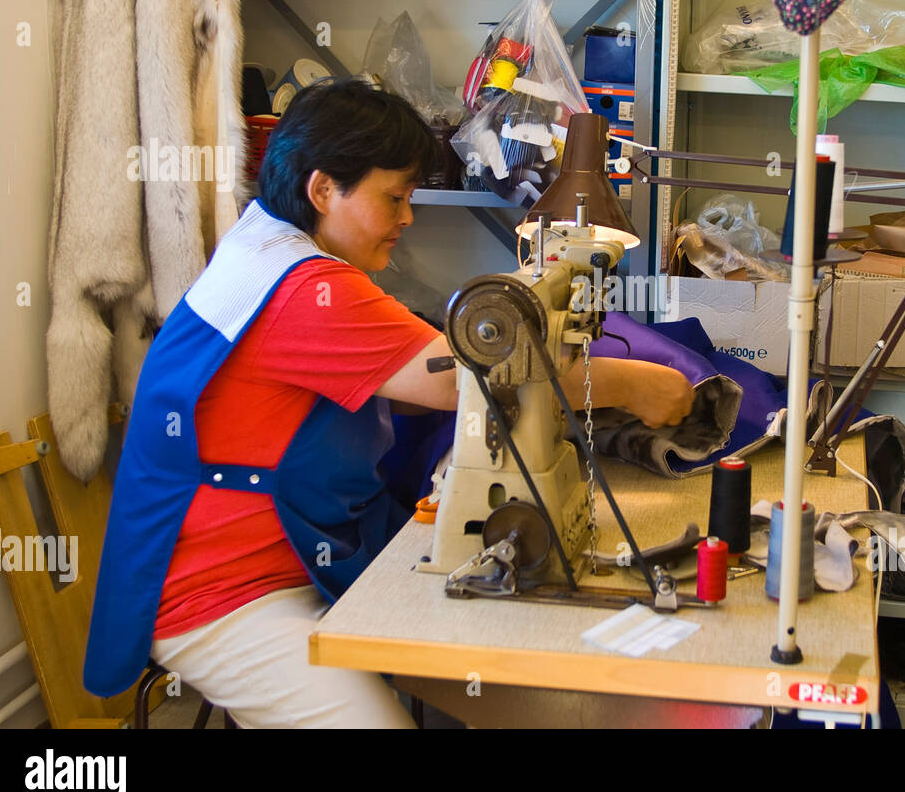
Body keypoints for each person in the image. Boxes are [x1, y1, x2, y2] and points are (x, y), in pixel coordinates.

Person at [83, 79, 695, 727]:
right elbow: (470, 378)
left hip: (301, 551)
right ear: (323, 190)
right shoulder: (306, 288)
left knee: (498, 676)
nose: (408, 218)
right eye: (394, 197)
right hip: (224, 595)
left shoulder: (264, 249)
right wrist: (632, 383)